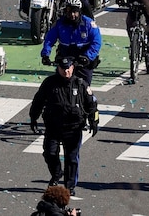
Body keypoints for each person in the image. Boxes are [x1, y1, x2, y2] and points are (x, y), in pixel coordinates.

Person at [29, 56, 99, 196]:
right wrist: (33, 117)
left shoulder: (80, 84)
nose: (66, 72)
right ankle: (56, 174)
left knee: (71, 159)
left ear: (73, 67)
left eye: (68, 69)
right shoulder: (50, 83)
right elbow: (38, 101)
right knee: (49, 153)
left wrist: (94, 121)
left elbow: (92, 104)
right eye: (63, 69)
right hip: (53, 127)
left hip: (73, 128)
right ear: (58, 68)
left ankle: (69, 187)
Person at [40, 0, 102, 86]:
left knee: (84, 86)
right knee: (59, 85)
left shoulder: (88, 23)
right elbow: (49, 39)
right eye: (69, 11)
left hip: (83, 57)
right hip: (65, 55)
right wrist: (46, 54)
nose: (72, 14)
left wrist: (87, 56)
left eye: (75, 11)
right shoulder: (60, 23)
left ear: (79, 12)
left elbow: (96, 42)